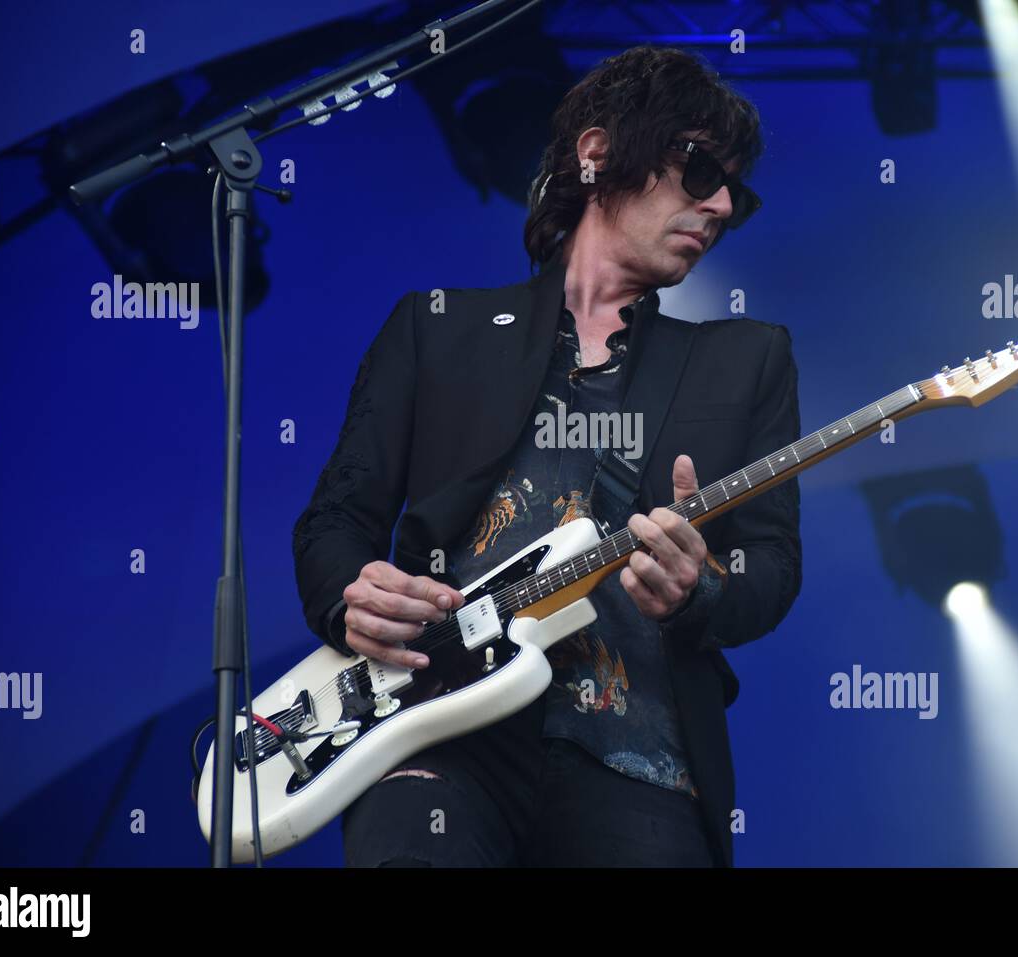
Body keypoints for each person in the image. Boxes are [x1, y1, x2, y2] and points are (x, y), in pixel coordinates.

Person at [292, 45, 802, 867]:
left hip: (642, 764)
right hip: (437, 734)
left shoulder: (746, 359)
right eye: (697, 167)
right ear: (596, 153)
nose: (714, 205)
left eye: (732, 193)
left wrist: (700, 588)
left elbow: (772, 567)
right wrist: (349, 595)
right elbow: (337, 519)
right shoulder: (436, 327)